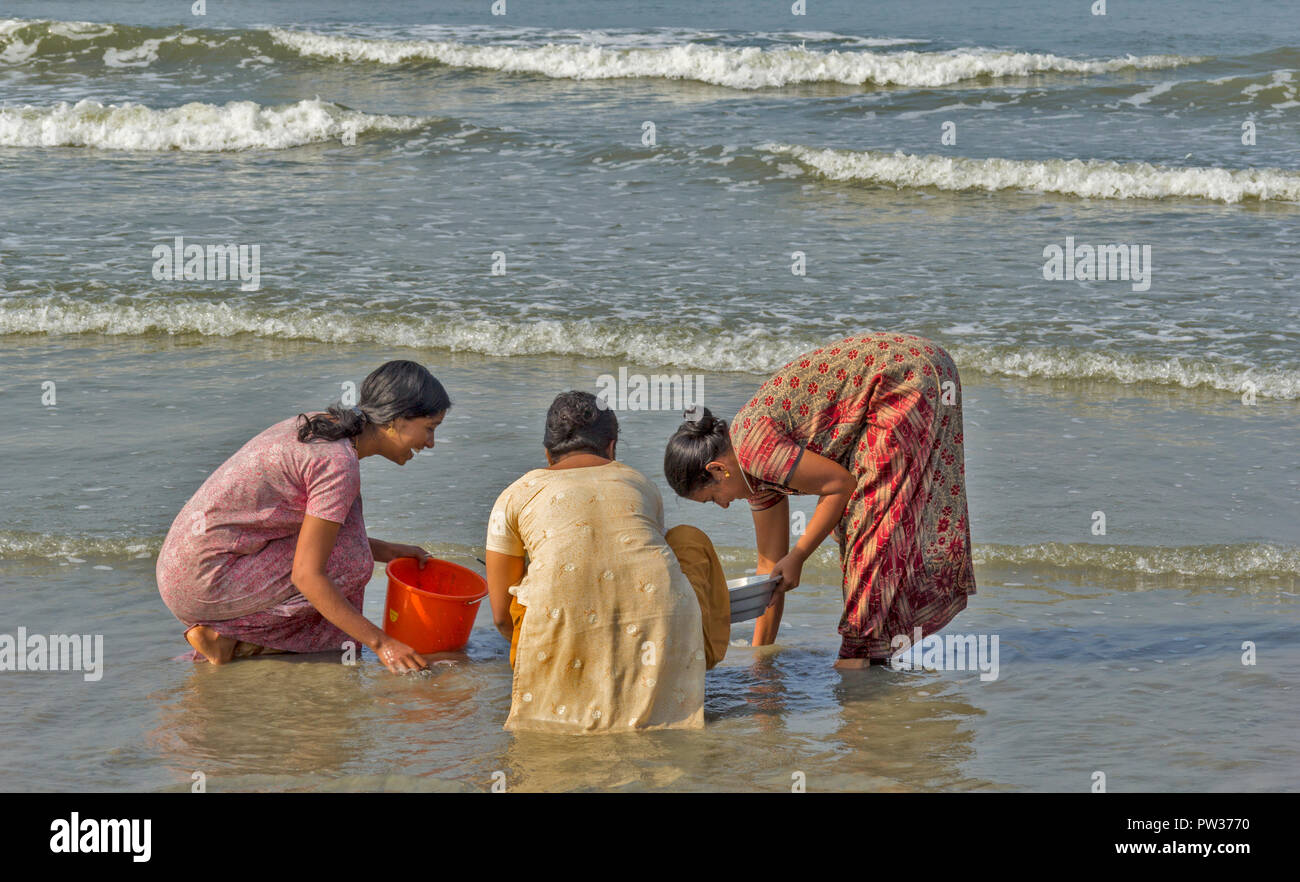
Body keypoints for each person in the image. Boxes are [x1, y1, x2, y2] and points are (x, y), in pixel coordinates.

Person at [663, 331, 976, 668]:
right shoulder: (755, 476)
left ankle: (860, 653)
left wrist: (799, 555)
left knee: (867, 524)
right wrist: (760, 659)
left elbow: (839, 485)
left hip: (905, 376)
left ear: (717, 469)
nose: (723, 506)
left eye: (713, 499)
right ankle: (872, 651)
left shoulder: (754, 450)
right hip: (917, 369)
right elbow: (771, 571)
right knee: (857, 523)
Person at [156, 360, 450, 673]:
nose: (430, 443)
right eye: (429, 429)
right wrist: (383, 643)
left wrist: (390, 552)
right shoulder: (338, 464)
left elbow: (325, 532)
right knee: (353, 560)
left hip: (184, 563)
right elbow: (307, 576)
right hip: (204, 580)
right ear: (397, 420)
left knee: (350, 538)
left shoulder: (324, 426)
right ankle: (228, 637)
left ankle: (247, 637)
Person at [485, 391, 731, 733]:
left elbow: (500, 616)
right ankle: (682, 669)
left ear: (547, 452)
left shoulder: (515, 493)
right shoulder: (638, 482)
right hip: (660, 637)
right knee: (687, 539)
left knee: (543, 574)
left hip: (555, 639)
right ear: (612, 448)